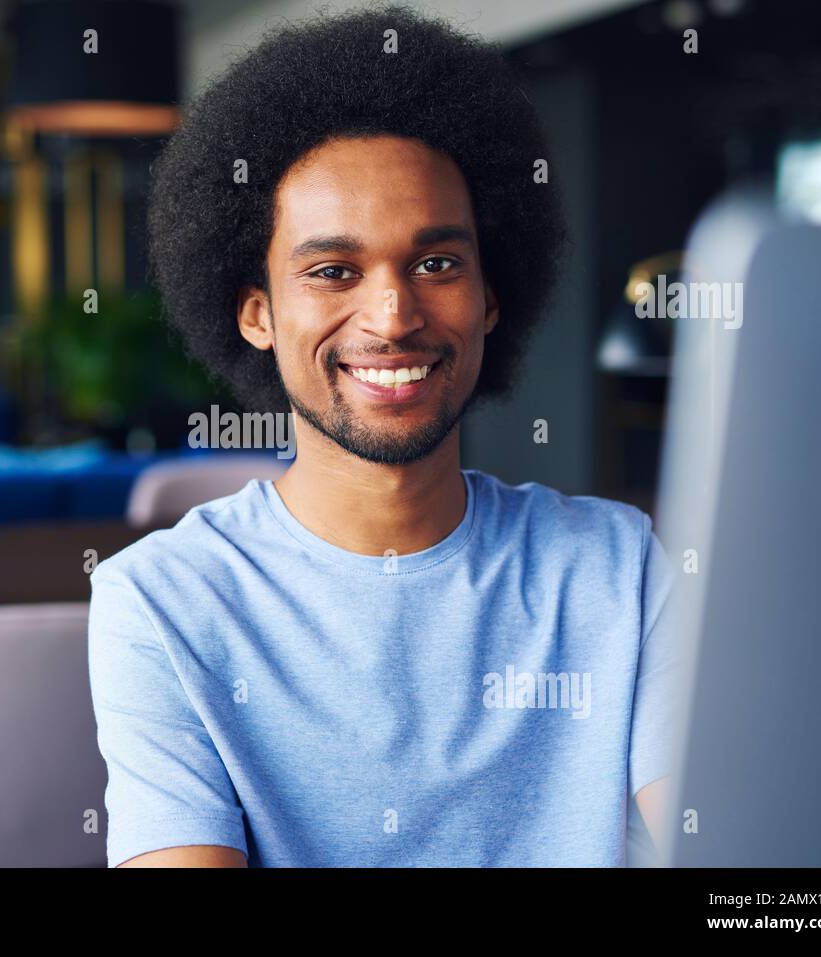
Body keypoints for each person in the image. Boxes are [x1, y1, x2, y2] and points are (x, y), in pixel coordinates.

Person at [88, 6, 680, 867]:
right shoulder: (161, 605)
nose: (393, 315)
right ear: (257, 313)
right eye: (333, 272)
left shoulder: (619, 569)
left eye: (437, 263)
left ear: (490, 295)